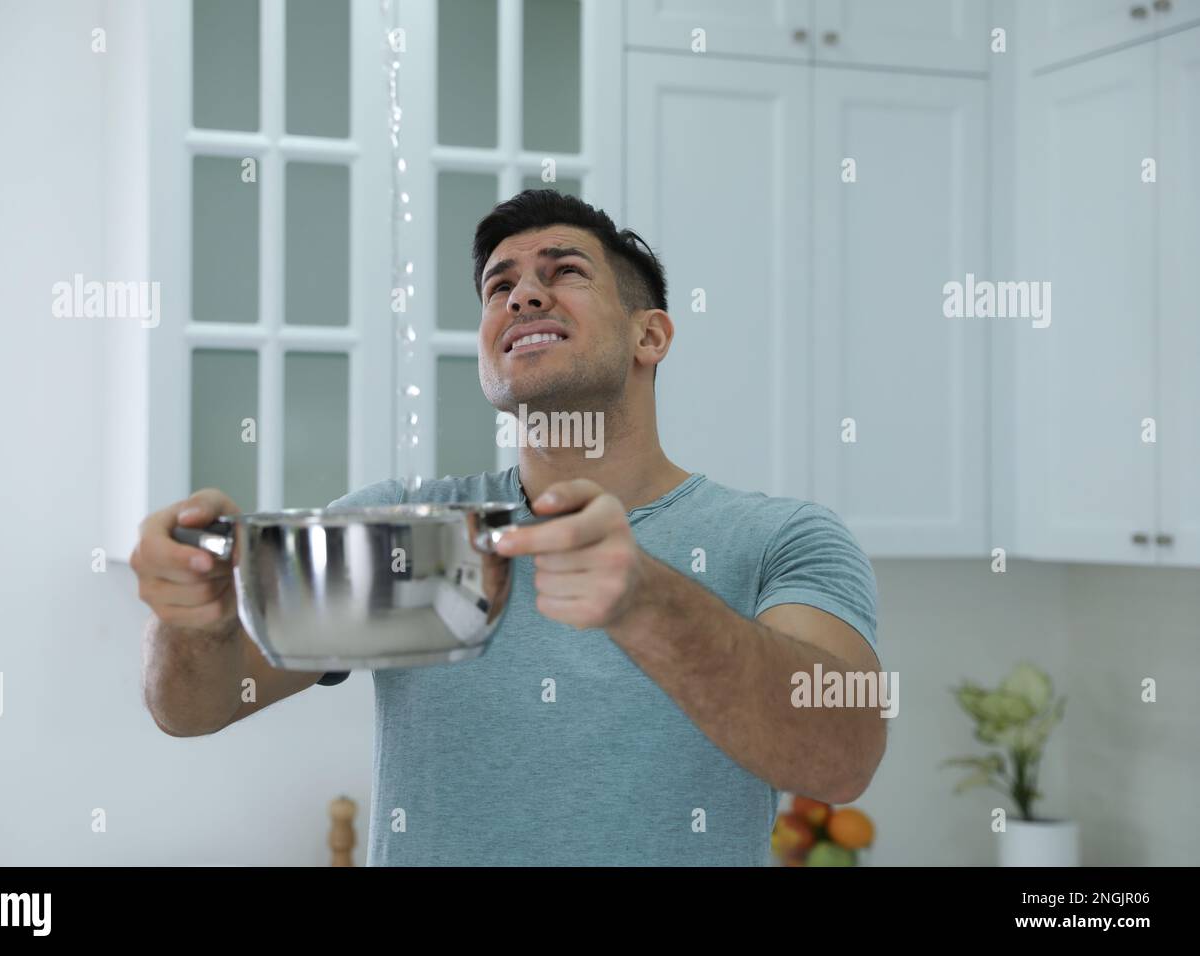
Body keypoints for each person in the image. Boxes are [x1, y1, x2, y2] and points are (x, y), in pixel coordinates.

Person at [132, 189, 884, 865]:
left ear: (649, 336)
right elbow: (198, 707)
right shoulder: (412, 529)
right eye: (500, 285)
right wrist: (191, 619)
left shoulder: (780, 538)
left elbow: (841, 758)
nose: (523, 294)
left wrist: (648, 602)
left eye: (564, 273)